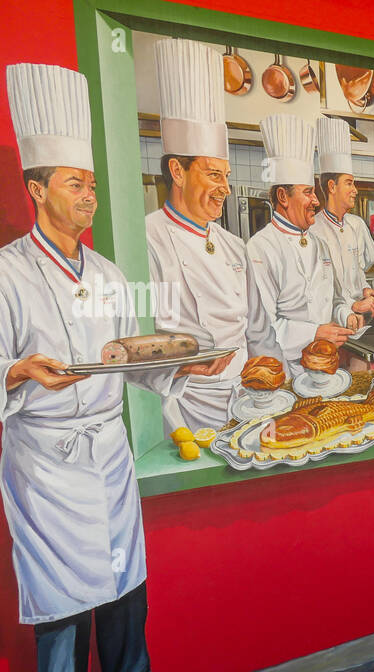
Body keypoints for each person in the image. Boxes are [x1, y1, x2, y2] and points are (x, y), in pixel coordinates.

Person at [0, 65, 217, 672]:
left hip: (107, 450)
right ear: (36, 190)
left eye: (93, 183)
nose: (89, 195)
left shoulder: (104, 274)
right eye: (76, 183)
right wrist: (17, 369)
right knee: (62, 599)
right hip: (44, 461)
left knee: (127, 582)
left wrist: (179, 367)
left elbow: (127, 357)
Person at [145, 38, 284, 434]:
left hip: (249, 401)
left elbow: (258, 331)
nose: (224, 187)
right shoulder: (147, 239)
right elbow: (133, 341)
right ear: (177, 171)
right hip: (185, 407)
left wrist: (280, 386)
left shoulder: (231, 245)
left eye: (226, 176)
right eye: (213, 174)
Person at [246, 115, 364, 373]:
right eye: (308, 192)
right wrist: (315, 333)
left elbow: (331, 299)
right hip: (285, 371)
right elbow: (261, 327)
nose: (316, 201)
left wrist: (346, 315)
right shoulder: (260, 248)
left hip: (325, 365)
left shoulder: (318, 244)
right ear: (282, 197)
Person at [310, 117, 374, 324]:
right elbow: (316, 292)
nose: (355, 190)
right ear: (332, 187)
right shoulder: (314, 230)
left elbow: (360, 269)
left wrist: (364, 289)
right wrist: (352, 305)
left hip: (361, 319)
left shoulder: (356, 225)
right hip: (332, 323)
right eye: (349, 183)